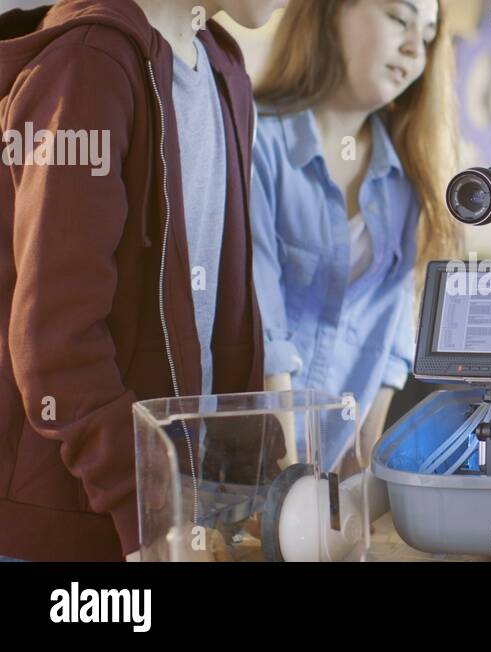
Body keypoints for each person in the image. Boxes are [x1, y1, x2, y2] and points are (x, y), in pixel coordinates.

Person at [0, 0, 283, 561]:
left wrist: (254, 486)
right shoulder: (90, 66)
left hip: (179, 521)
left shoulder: (223, 69)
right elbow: (56, 342)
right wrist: (147, 507)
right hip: (70, 533)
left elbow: (222, 322)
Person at [251, 0, 462, 471]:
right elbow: (267, 336)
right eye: (398, 19)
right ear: (330, 14)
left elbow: (389, 345)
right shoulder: (254, 140)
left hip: (329, 478)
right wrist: (290, 482)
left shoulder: (405, 182)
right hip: (246, 465)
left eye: (427, 36)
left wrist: (363, 479)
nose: (413, 47)